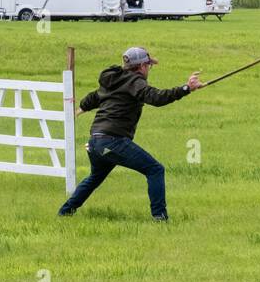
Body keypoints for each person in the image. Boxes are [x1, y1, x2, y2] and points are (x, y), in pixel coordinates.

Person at [58, 46, 202, 221]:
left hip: (95, 142)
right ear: (141, 66)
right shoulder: (136, 82)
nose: (149, 69)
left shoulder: (113, 81)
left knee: (95, 177)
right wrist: (186, 88)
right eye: (149, 65)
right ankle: (160, 218)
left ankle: (64, 213)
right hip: (112, 141)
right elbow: (156, 98)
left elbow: (94, 97)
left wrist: (79, 109)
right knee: (155, 169)